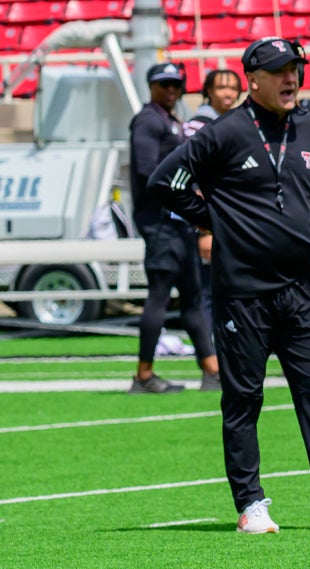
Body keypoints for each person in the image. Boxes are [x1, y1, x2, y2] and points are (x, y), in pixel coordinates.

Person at [148, 37, 310, 533]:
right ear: (252, 79)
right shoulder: (226, 131)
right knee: (243, 398)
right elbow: (163, 181)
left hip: (300, 290)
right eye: (280, 70)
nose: (291, 78)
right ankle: (251, 502)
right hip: (243, 292)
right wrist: (215, 218)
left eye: (296, 69)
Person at [128, 62, 219, 394]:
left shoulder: (170, 120)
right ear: (151, 86)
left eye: (175, 84)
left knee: (193, 296)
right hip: (161, 223)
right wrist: (187, 189)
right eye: (164, 84)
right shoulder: (148, 121)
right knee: (160, 296)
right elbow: (146, 171)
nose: (171, 89)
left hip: (179, 224)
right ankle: (143, 374)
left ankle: (212, 369)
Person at [183, 68, 244, 328]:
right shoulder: (199, 125)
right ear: (208, 91)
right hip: (210, 222)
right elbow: (191, 176)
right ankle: (213, 350)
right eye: (221, 87)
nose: (228, 92)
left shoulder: (234, 122)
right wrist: (204, 229)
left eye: (232, 87)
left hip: (231, 221)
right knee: (210, 290)